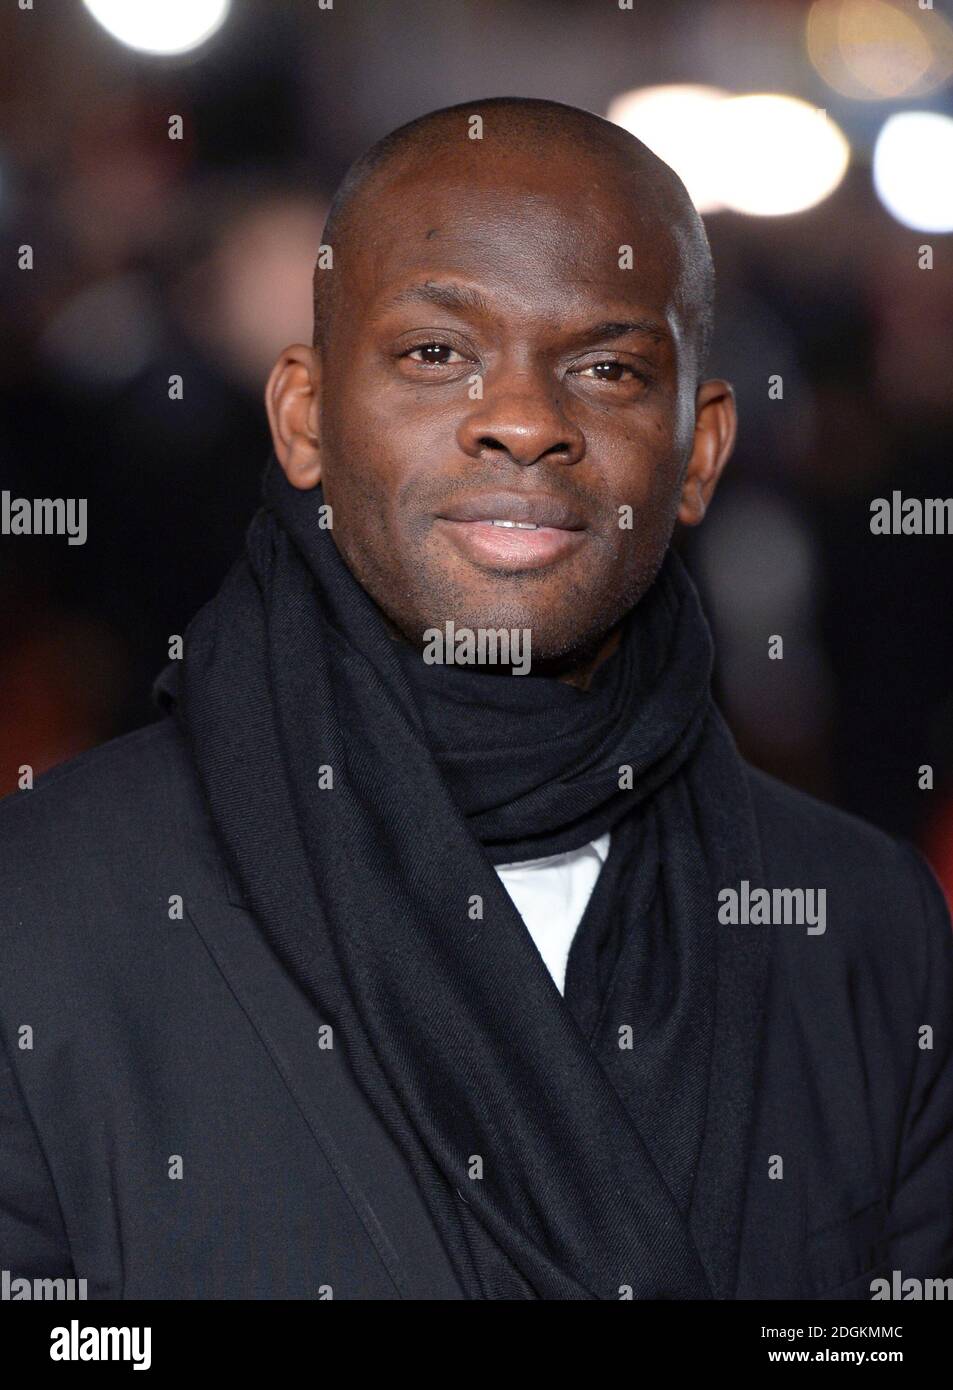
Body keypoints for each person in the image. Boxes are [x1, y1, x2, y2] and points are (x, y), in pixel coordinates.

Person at [1, 97, 950, 1302]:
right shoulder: (40, 908)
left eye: (605, 366)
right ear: (303, 416)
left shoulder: (863, 925)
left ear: (698, 451)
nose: (520, 420)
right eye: (436, 354)